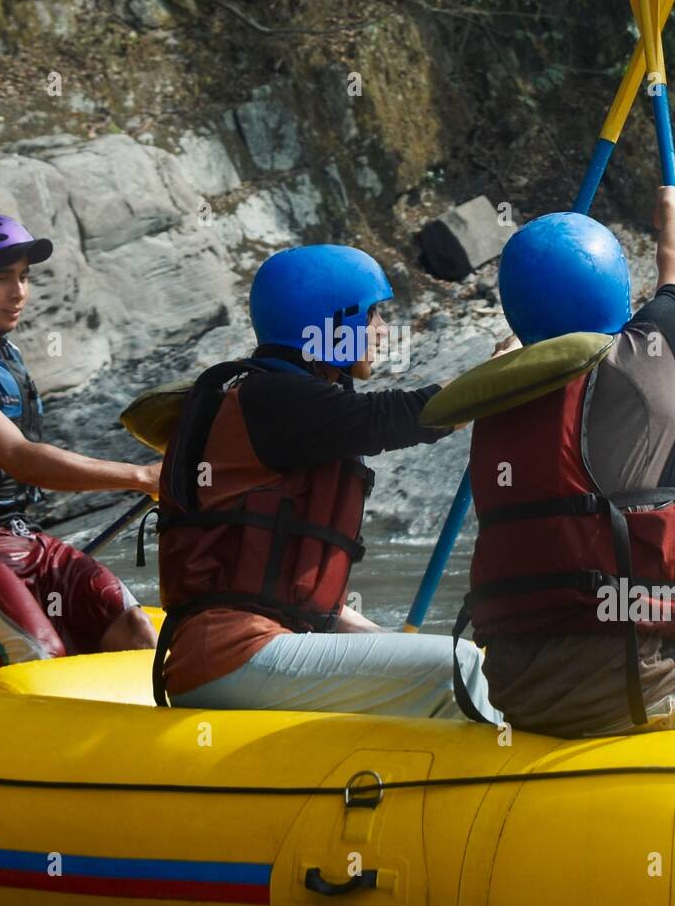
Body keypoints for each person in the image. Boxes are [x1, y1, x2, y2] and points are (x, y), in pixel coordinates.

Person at [464, 185, 675, 736]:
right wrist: (672, 205)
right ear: (614, 289)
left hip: (518, 692)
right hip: (638, 685)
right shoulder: (642, 365)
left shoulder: (499, 390)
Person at [153, 243, 501, 722]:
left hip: (261, 653)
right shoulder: (274, 401)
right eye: (372, 315)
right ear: (330, 323)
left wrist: (388, 643)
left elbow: (306, 602)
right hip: (233, 658)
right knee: (456, 666)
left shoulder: (285, 402)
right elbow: (409, 415)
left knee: (454, 661)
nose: (383, 331)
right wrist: (505, 372)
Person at [0, 213, 160, 672]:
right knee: (37, 657)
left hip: (22, 536)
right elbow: (21, 459)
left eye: (24, 277)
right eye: (1, 278)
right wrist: (141, 476)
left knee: (135, 629)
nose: (19, 293)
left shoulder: (7, 355)